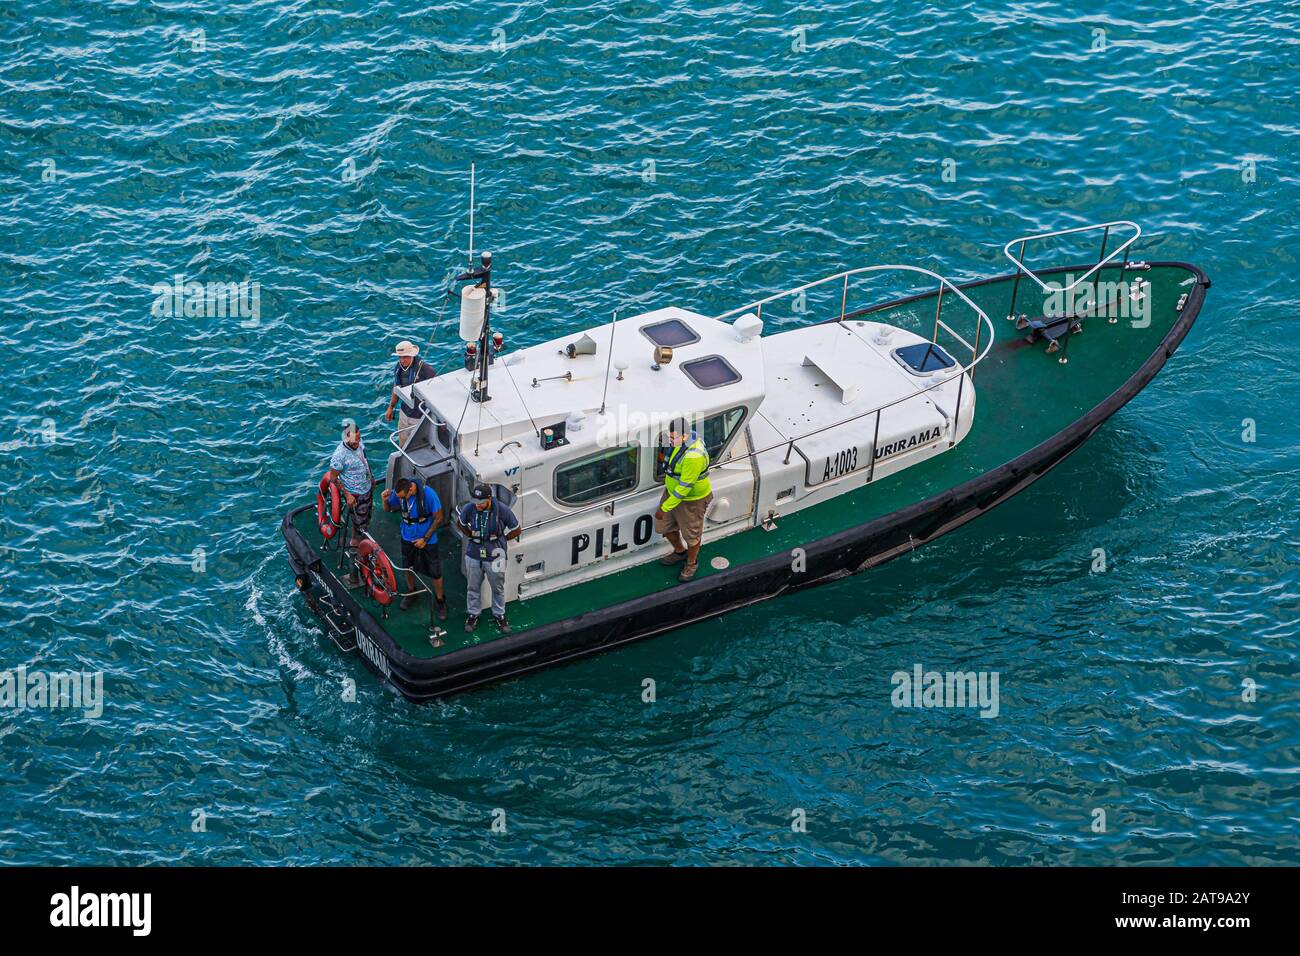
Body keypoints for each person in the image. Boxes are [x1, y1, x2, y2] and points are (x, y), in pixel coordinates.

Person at [455, 483, 520, 634]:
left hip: (497, 553)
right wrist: (470, 535)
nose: (477, 505)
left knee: (498, 587)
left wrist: (502, 539)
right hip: (474, 552)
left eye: (481, 502)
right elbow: (460, 523)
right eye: (475, 502)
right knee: (472, 586)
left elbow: (517, 530)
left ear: (489, 499)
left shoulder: (503, 510)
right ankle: (473, 614)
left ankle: (499, 614)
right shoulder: (470, 508)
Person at [656, 417, 713, 582]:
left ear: (685, 436)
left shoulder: (694, 456)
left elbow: (684, 488)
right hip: (672, 492)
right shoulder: (681, 441)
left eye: (673, 438)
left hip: (692, 500)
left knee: (692, 536)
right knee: (663, 527)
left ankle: (691, 563)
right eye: (669, 436)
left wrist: (664, 508)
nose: (670, 440)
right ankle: (680, 552)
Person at [382, 476, 448, 619]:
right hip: (407, 536)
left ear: (411, 490)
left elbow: (439, 518)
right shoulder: (399, 494)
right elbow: (387, 509)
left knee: (435, 571)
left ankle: (440, 600)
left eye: (403, 497)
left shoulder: (429, 494)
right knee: (408, 567)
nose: (401, 500)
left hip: (428, 539)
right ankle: (412, 592)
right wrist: (385, 500)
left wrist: (425, 539)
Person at [323, 419, 374, 587]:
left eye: (359, 438)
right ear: (346, 437)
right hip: (355, 494)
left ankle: (360, 536)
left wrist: (371, 477)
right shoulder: (339, 456)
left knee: (365, 519)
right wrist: (347, 494)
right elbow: (333, 478)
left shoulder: (359, 442)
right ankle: (357, 550)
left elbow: (365, 459)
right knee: (358, 527)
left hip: (367, 489)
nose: (358, 442)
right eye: (355, 440)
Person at [385, 341, 436, 448]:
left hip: (419, 417)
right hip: (404, 413)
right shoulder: (398, 368)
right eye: (400, 357)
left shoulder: (427, 370)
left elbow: (435, 395)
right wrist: (391, 407)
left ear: (412, 355)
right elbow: (396, 387)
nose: (402, 360)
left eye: (405, 357)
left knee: (417, 447)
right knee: (403, 445)